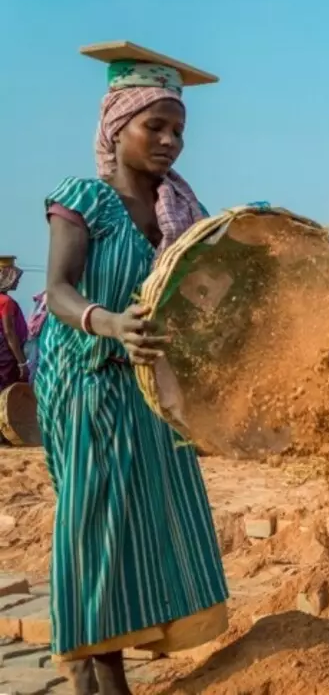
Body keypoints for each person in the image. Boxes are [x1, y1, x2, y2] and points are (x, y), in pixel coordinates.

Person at [37, 51, 228, 694]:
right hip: (86, 379)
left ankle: (92, 674)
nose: (170, 142)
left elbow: (208, 295)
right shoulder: (85, 199)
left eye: (179, 130)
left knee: (155, 516)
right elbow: (59, 290)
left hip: (148, 385)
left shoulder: (183, 211)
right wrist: (108, 320)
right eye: (156, 127)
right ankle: (105, 676)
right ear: (118, 126)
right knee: (100, 523)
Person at [0, 259, 29, 389]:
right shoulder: (6, 301)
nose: (17, 280)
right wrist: (22, 363)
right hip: (6, 356)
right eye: (14, 277)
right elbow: (9, 332)